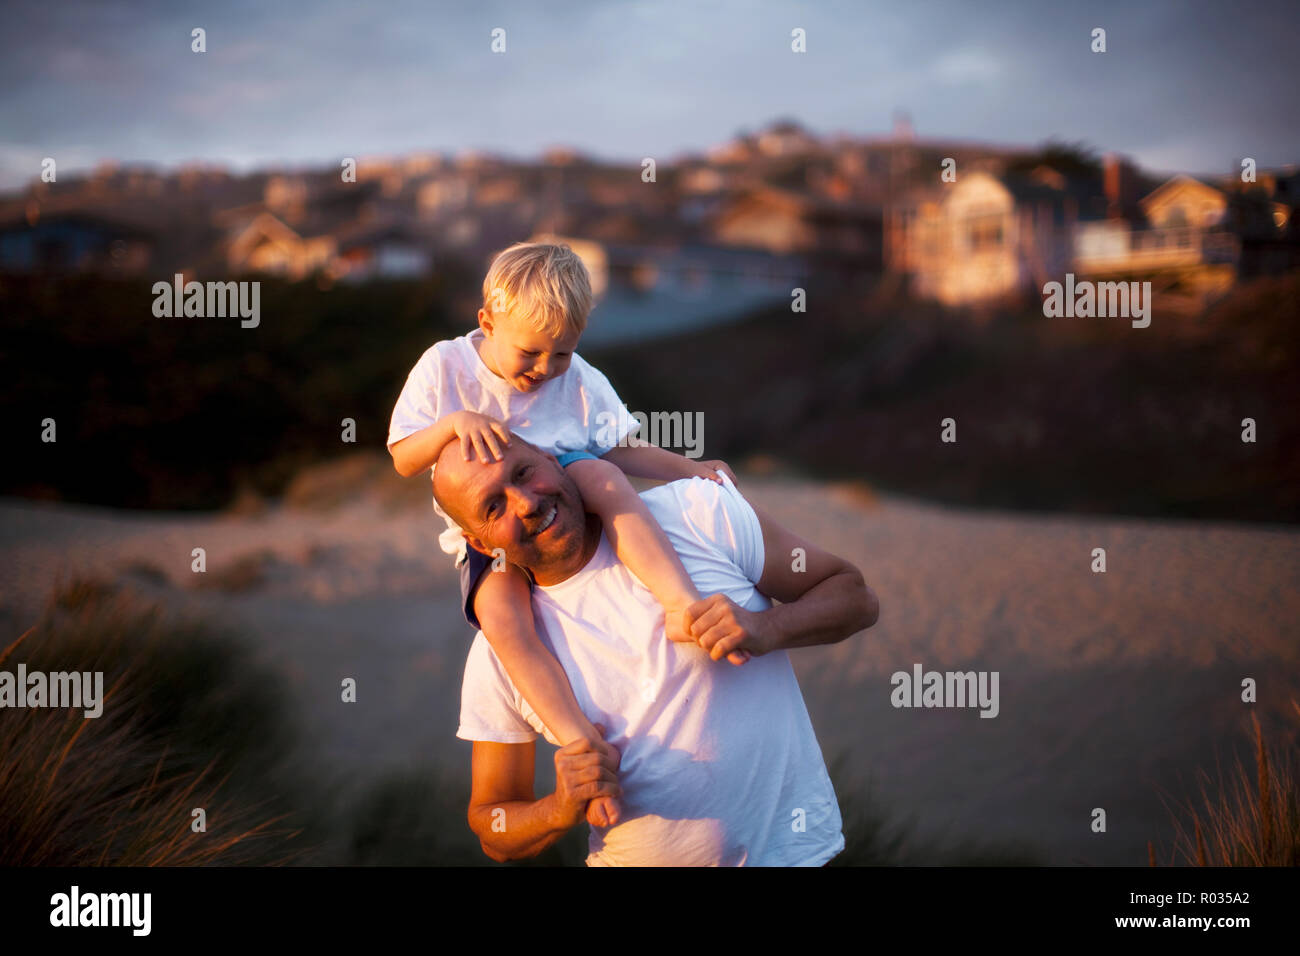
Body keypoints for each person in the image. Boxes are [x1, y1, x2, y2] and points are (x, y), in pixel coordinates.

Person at [387, 241, 742, 829]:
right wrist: (454, 424)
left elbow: (623, 446)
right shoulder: (445, 366)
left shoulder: (578, 380)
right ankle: (581, 746)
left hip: (565, 499)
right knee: (502, 616)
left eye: (562, 354)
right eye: (531, 351)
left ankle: (680, 604)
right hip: (494, 531)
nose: (545, 370)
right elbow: (402, 457)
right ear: (487, 321)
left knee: (601, 471)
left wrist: (691, 468)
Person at [435, 435, 879, 865]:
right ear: (478, 543)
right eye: (493, 506)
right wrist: (559, 806)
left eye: (524, 471)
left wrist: (767, 627)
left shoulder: (698, 513)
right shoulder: (505, 650)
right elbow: (492, 826)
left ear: (554, 457)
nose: (527, 502)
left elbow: (855, 598)